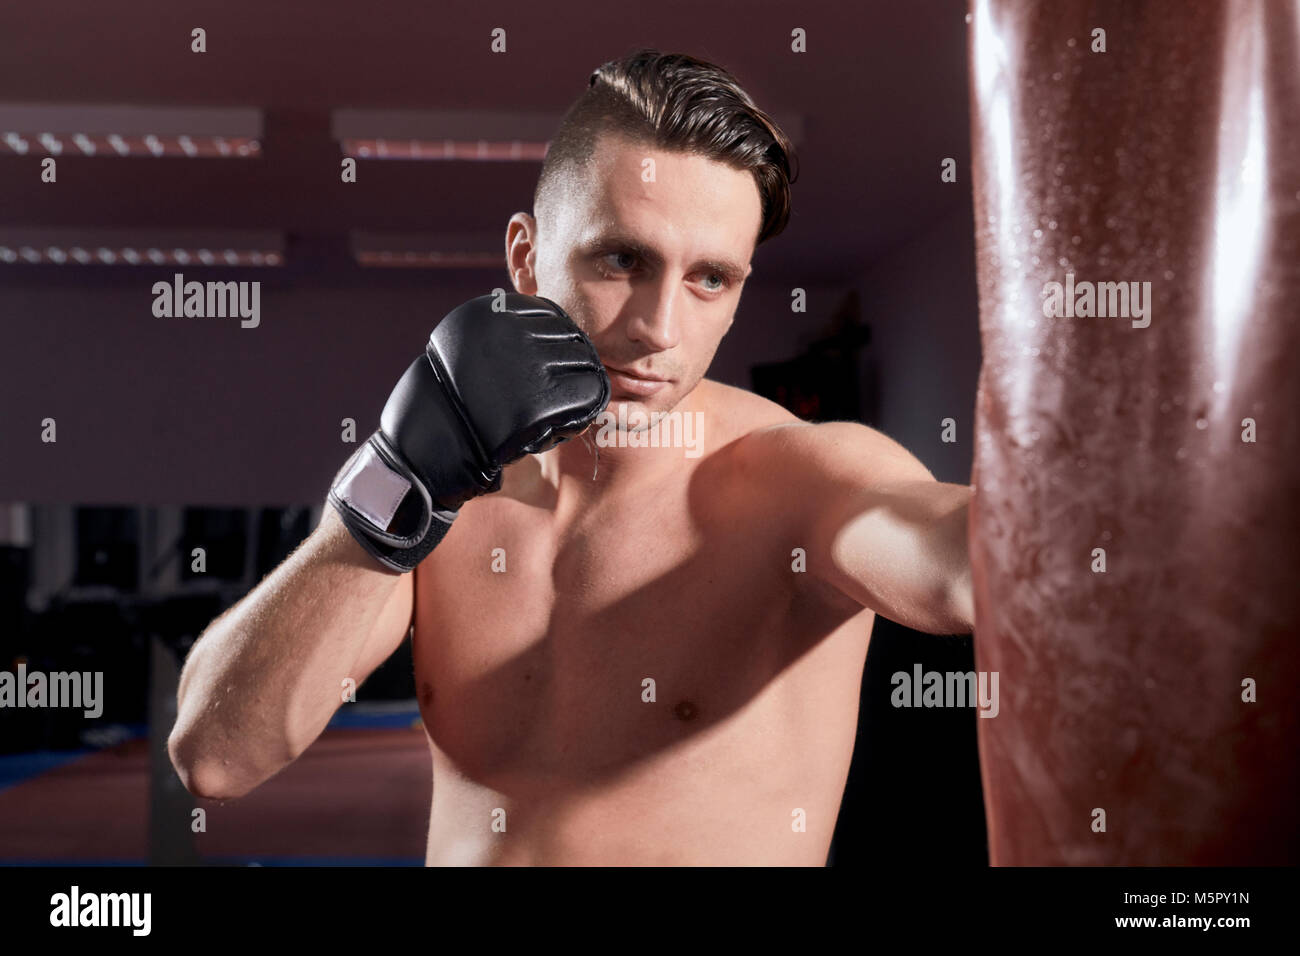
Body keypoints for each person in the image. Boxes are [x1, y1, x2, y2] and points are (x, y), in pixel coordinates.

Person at [169, 48, 974, 865]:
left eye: (710, 278)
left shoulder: (802, 483)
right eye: (623, 259)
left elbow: (960, 568)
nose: (659, 327)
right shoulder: (445, 494)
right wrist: (396, 480)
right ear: (526, 257)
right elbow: (215, 757)